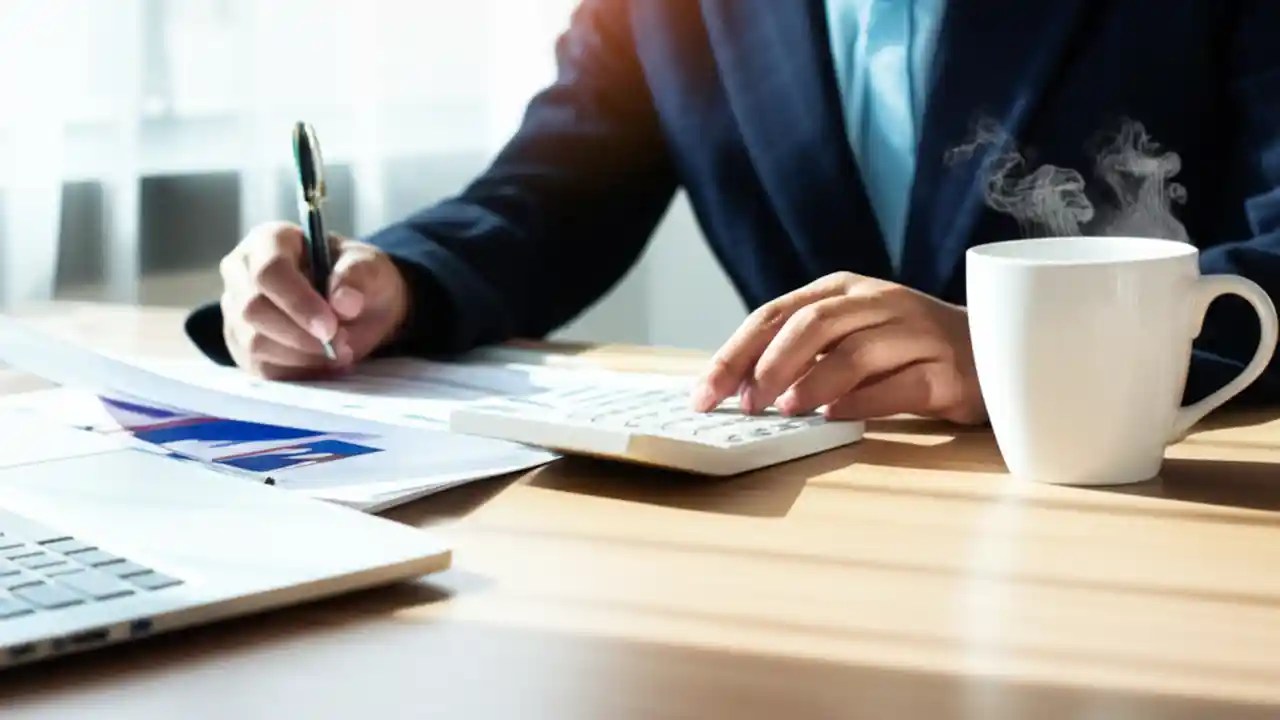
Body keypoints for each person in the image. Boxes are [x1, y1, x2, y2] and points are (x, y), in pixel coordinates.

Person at [188, 0, 1280, 425]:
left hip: (1172, 508)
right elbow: (550, 194)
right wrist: (392, 284)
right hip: (818, 514)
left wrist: (1024, 357)